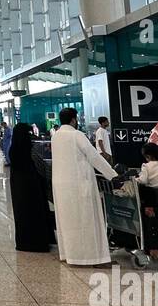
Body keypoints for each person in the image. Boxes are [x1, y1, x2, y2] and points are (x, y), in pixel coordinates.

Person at [50, 107, 118, 266]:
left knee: (68, 222)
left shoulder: (56, 136)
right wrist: (113, 175)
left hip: (61, 185)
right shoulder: (76, 135)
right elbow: (94, 156)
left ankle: (70, 254)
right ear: (73, 119)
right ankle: (94, 258)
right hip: (79, 183)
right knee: (88, 221)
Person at [8, 123, 53, 252]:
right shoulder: (30, 148)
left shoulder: (13, 149)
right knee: (36, 214)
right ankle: (38, 242)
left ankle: (24, 242)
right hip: (33, 188)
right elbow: (41, 167)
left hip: (18, 189)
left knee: (22, 215)